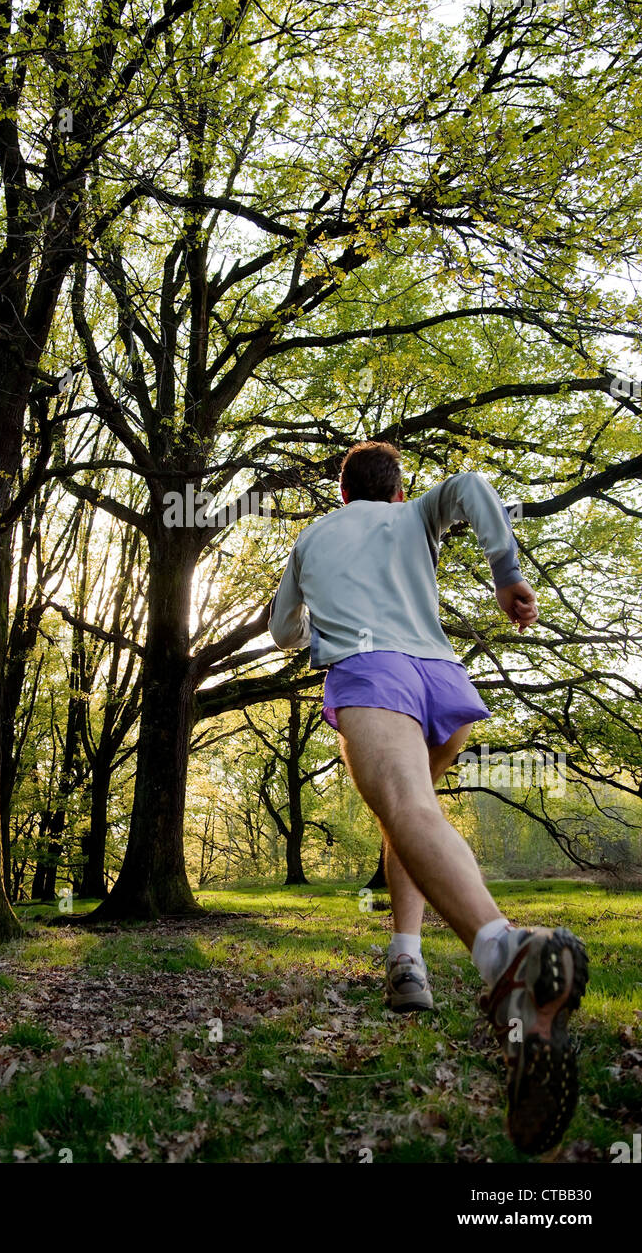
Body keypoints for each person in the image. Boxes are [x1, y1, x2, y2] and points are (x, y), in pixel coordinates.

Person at [268, 439, 588, 1155]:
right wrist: (506, 575)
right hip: (442, 675)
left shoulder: (313, 535)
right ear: (395, 488)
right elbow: (472, 484)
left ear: (342, 492)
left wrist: (312, 628)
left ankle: (506, 955)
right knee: (412, 816)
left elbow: (282, 631)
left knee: (405, 809)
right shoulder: (415, 515)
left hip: (370, 670)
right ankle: (404, 960)